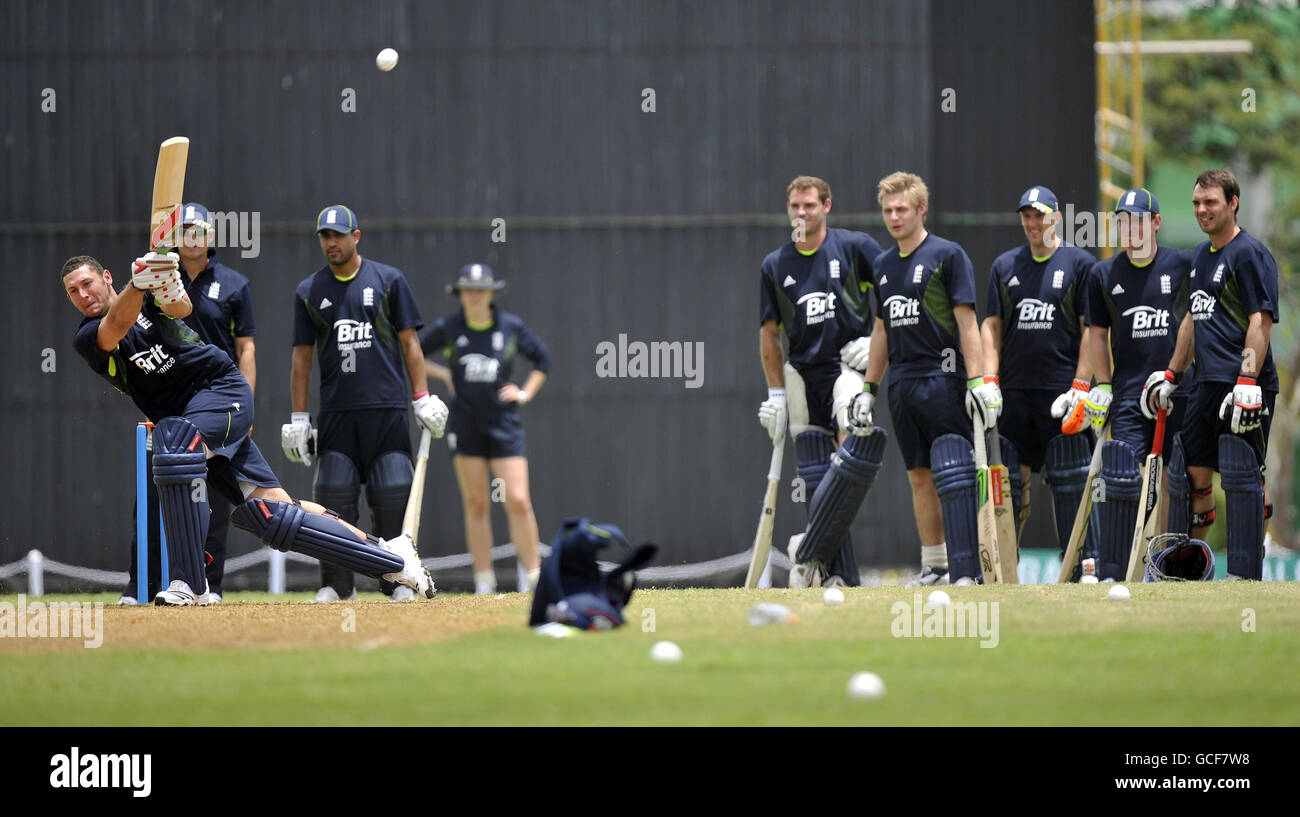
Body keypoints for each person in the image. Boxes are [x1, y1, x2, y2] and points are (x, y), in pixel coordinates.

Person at [63, 252, 443, 605]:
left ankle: (190, 583)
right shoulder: (87, 338)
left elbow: (182, 307)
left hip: (220, 391)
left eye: (87, 283)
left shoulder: (145, 298)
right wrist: (141, 282)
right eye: (73, 291)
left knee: (173, 441)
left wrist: (163, 284)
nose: (83, 294)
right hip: (193, 424)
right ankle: (391, 559)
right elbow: (116, 326)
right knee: (272, 514)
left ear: (106, 277)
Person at [836, 171, 1002, 587]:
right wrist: (868, 389)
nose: (894, 217)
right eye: (888, 210)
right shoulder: (883, 265)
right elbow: (881, 331)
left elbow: (968, 323)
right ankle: (936, 566)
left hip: (943, 380)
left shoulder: (948, 255)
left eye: (902, 209)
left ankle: (969, 570)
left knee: (955, 471)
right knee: (918, 476)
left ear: (921, 209)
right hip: (902, 386)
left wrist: (977, 381)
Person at [284, 205, 444, 601]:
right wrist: (299, 417)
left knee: (392, 489)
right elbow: (301, 357)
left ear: (356, 237)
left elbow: (410, 342)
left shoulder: (389, 281)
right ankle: (337, 587)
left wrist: (421, 397)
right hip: (337, 414)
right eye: (324, 236)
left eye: (338, 235)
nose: (331, 242)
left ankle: (396, 583)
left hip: (386, 410)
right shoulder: (309, 291)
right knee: (333, 496)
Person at [1142, 169, 1279, 580]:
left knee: (1242, 473)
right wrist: (1172, 373)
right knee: (1194, 476)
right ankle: (1192, 567)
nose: (1202, 210)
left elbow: (1261, 321)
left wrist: (1247, 382)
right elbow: (1191, 319)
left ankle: (1248, 563)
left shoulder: (1249, 253)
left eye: (1211, 203)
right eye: (1197, 204)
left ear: (1233, 203)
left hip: (1243, 386)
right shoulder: (1200, 256)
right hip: (1204, 384)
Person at [118, 202, 256, 605]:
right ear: (175, 238)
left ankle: (207, 584)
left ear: (211, 236)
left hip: (216, 400)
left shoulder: (233, 284)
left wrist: (243, 405)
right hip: (167, 399)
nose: (192, 238)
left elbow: (246, 349)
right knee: (156, 490)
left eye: (199, 230)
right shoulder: (159, 278)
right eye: (185, 231)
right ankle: (140, 585)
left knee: (211, 496)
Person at [757, 176, 881, 587]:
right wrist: (775, 393)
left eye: (809, 205)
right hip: (802, 374)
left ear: (827, 205)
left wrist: (879, 342)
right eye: (794, 206)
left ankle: (808, 547)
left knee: (849, 457)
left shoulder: (854, 247)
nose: (801, 212)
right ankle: (839, 578)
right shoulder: (775, 265)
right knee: (814, 477)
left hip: (848, 366)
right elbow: (769, 333)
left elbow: (897, 292)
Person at [980, 186, 1097, 578]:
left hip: (1062, 395)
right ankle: (1004, 570)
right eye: (1027, 216)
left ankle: (1081, 570)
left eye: (1040, 215)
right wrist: (989, 380)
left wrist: (1081, 386)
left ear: (1056, 217)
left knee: (1070, 483)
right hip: (1014, 395)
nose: (1033, 223)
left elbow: (1090, 330)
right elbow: (992, 326)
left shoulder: (1079, 263)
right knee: (1010, 484)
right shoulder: (1005, 265)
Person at [1084, 188, 1194, 579]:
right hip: (1129, 393)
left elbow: (1197, 319)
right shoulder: (1103, 274)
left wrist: (1177, 374)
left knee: (1175, 479)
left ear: (1156, 223)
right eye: (1123, 220)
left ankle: (1169, 563)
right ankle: (1116, 566)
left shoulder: (1182, 264)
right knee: (1122, 475)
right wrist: (1104, 385)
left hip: (1175, 389)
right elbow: (1097, 334)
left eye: (1138, 219)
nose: (1130, 228)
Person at [421, 264, 549, 595]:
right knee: (477, 502)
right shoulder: (449, 328)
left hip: (504, 424)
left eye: (482, 288)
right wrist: (445, 375)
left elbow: (543, 361)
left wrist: (524, 393)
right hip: (465, 424)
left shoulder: (510, 327)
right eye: (469, 289)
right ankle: (484, 581)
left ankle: (535, 577)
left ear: (492, 292)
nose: (476, 295)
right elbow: (411, 352)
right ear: (460, 293)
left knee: (518, 499)